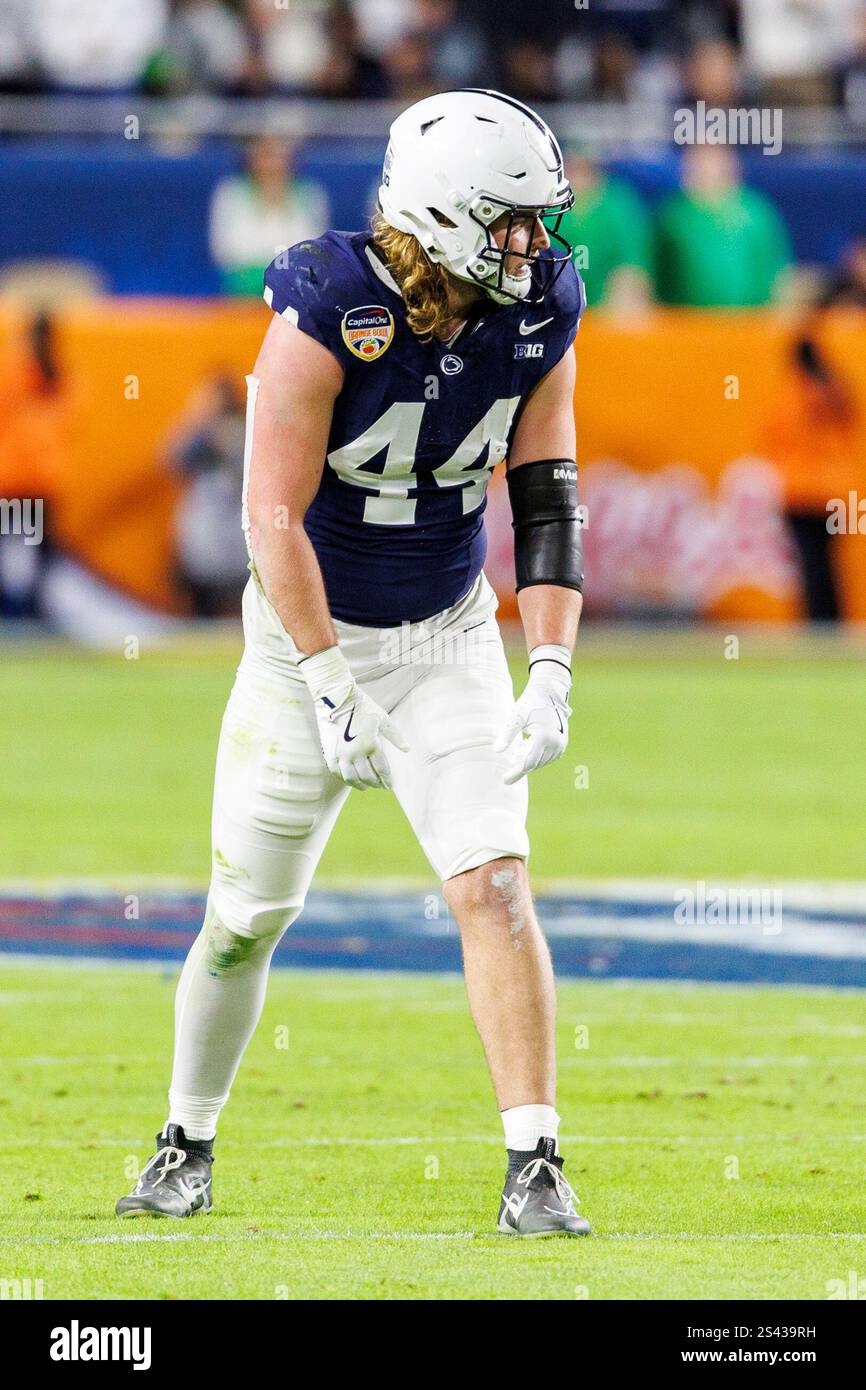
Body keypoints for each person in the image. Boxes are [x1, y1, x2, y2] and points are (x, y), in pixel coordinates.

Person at [117, 89, 590, 1238]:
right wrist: (325, 678)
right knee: (242, 918)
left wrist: (553, 664)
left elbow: (544, 494)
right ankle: (185, 1142)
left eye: (538, 222)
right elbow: (269, 515)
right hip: (301, 649)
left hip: (442, 634)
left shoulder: (538, 316)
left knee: (492, 881)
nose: (536, 245)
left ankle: (534, 1163)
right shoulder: (331, 305)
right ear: (442, 216)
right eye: (513, 221)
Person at [655, 146, 792, 307]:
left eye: (713, 160)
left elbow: (779, 274)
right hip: (686, 323)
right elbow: (656, 277)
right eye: (699, 161)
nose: (706, 168)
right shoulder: (673, 216)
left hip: (750, 323)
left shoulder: (756, 213)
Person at [209, 135, 330, 297]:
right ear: (250, 159)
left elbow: (316, 248)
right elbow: (224, 249)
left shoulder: (309, 194)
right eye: (265, 155)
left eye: (278, 155)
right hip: (244, 283)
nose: (271, 164)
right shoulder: (231, 192)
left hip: (295, 284)